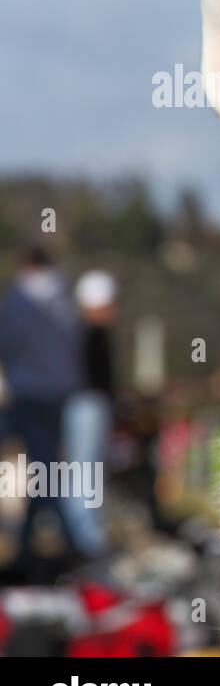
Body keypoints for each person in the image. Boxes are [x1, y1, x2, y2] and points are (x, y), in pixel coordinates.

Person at [0, 246, 83, 582]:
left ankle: (43, 544)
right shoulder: (65, 300)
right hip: (63, 396)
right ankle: (55, 542)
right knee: (48, 469)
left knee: (43, 472)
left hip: (29, 395)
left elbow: (7, 343)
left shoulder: (19, 302)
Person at [59, 270, 118, 559]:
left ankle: (85, 535)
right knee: (84, 472)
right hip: (86, 405)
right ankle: (83, 538)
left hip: (88, 405)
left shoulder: (85, 332)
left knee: (86, 471)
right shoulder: (84, 334)